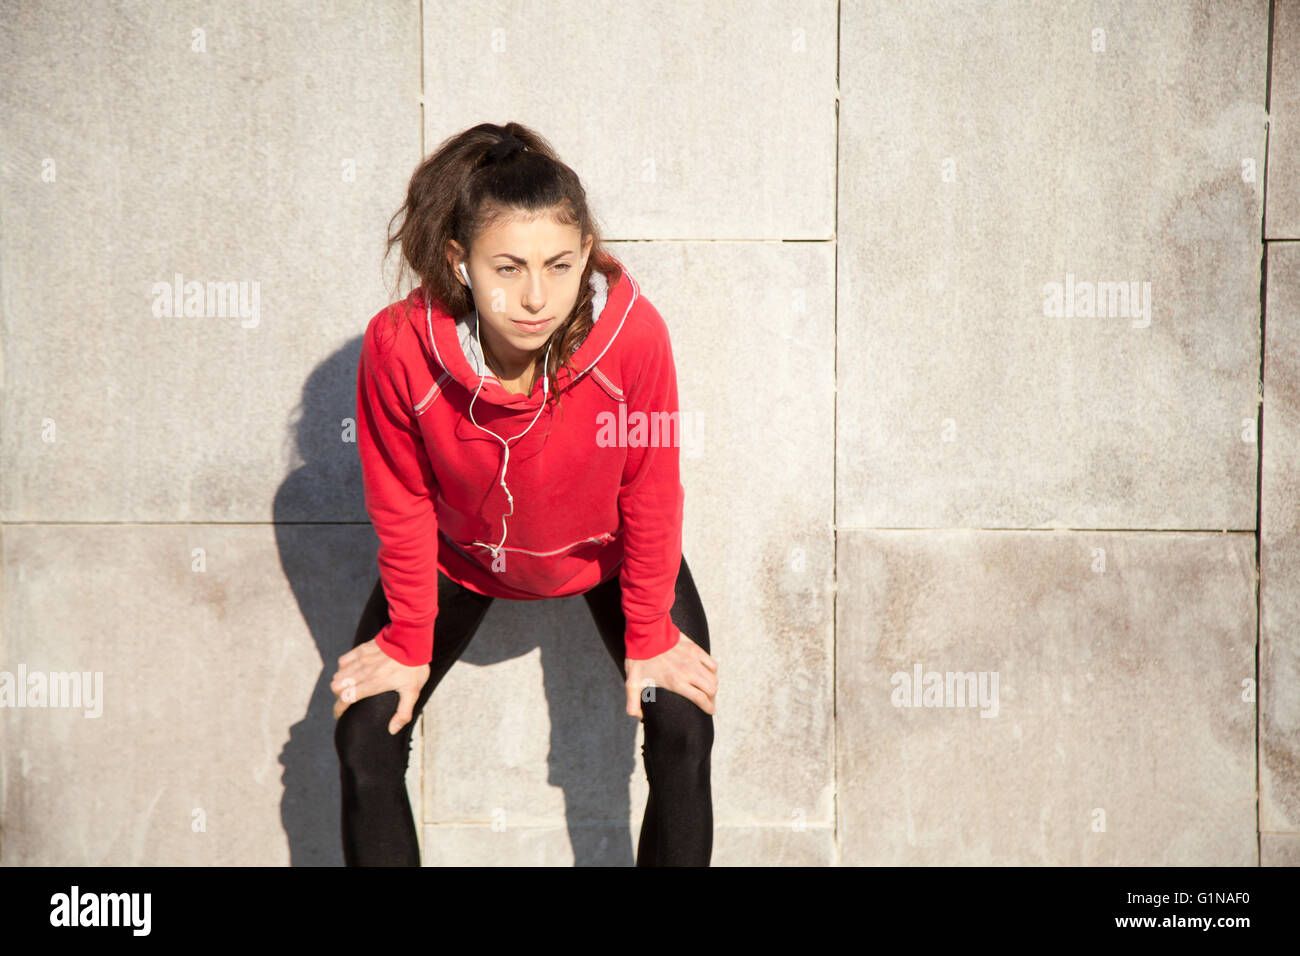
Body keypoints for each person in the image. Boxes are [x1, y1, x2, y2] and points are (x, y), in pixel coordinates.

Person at [331, 121, 719, 866]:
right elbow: (401, 497)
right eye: (507, 267)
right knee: (362, 734)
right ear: (461, 262)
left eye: (559, 265)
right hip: (463, 557)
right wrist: (409, 641)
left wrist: (650, 638)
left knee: (684, 725)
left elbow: (652, 487)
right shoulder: (399, 348)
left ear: (584, 259)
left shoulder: (634, 340)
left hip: (607, 550)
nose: (536, 295)